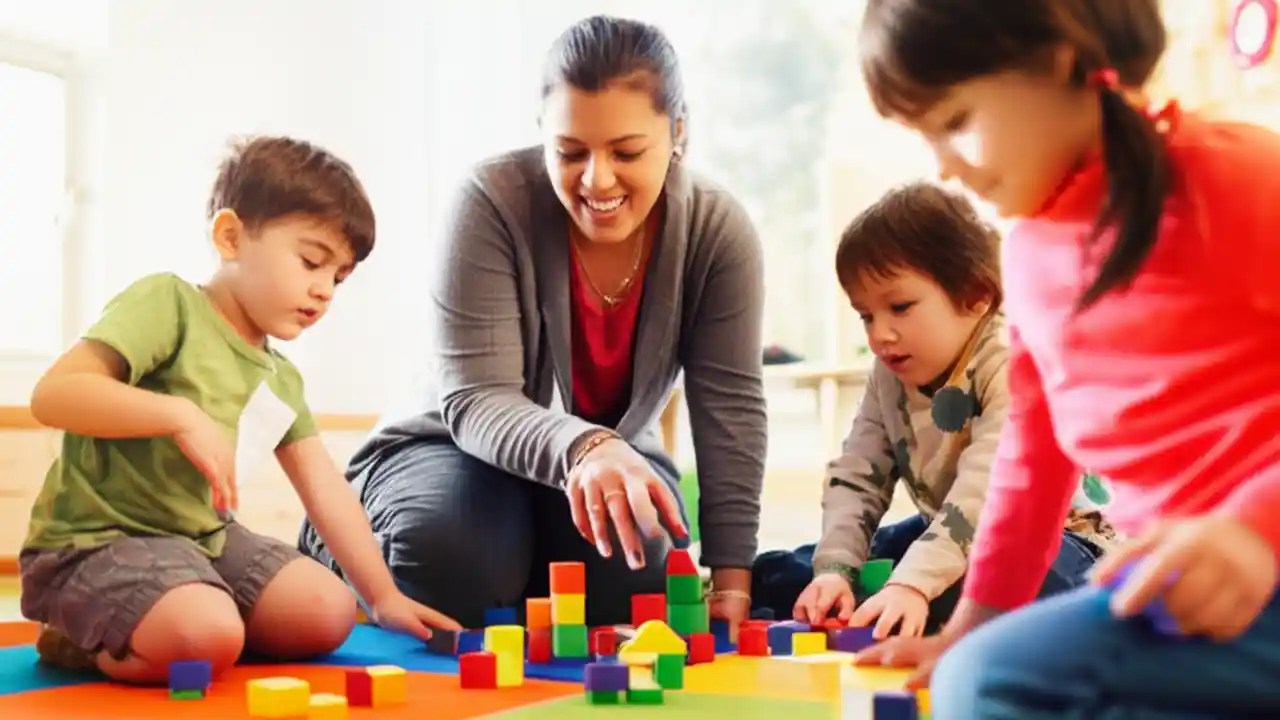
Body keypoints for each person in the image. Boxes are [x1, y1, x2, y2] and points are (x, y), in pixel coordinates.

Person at [852, 0, 1280, 716]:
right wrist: (972, 624)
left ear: (1055, 59)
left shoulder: (1236, 178)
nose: (945, 168)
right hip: (1189, 592)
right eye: (926, 139)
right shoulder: (1028, 251)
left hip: (1259, 569)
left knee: (995, 683)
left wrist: (1253, 529)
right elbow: (1033, 458)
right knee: (985, 667)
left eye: (955, 123)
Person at [299, 15, 766, 631]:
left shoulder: (716, 231)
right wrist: (588, 444)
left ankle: (521, 572)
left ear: (679, 132)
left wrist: (732, 583)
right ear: (541, 132)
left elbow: (729, 407)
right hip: (449, 445)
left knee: (635, 576)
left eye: (626, 151)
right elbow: (476, 399)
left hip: (607, 463)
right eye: (570, 152)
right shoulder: (489, 201)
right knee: (456, 562)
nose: (597, 179)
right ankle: (342, 542)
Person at [19, 136, 460, 684]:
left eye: (338, 278)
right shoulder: (169, 304)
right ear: (231, 237)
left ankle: (189, 615)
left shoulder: (279, 376)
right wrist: (179, 415)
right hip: (95, 542)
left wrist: (384, 596)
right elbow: (54, 395)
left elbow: (325, 489)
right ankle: (85, 629)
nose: (323, 290)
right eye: (311, 261)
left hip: (202, 543)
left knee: (329, 611)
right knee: (206, 636)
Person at [751, 183, 1109, 638]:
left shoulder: (1011, 361)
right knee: (780, 575)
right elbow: (859, 474)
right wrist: (834, 571)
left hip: (1059, 543)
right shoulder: (889, 371)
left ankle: (918, 605)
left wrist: (913, 584)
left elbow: (986, 495)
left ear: (976, 295)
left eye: (899, 307)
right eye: (866, 315)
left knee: (1006, 588)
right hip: (945, 534)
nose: (880, 333)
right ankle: (866, 597)